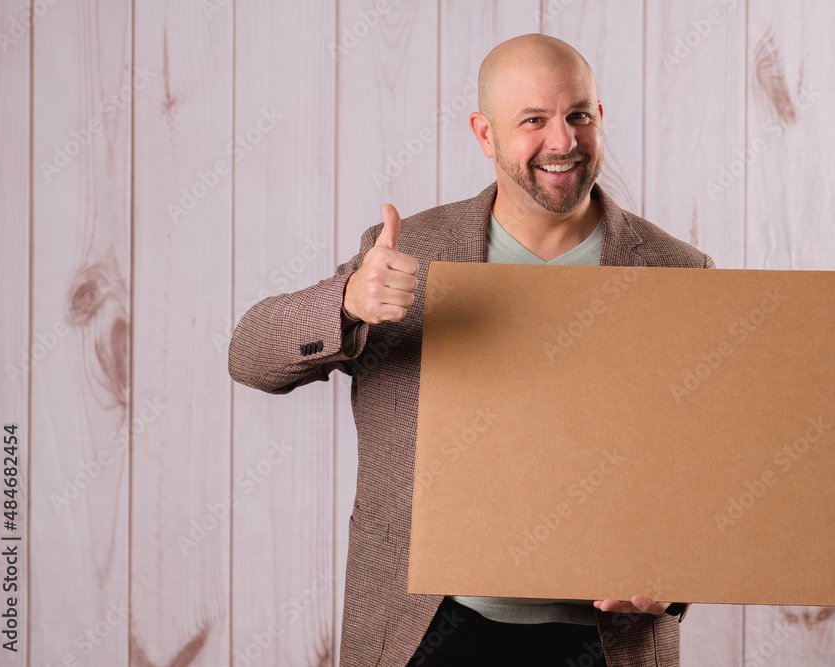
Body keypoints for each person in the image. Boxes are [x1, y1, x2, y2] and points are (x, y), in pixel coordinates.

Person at [229, 33, 714, 667]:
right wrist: (346, 300)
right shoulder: (409, 252)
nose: (563, 141)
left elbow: (707, 470)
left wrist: (674, 580)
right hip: (430, 628)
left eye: (578, 115)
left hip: (604, 641)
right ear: (484, 134)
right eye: (533, 120)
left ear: (601, 116)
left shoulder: (678, 272)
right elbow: (248, 356)